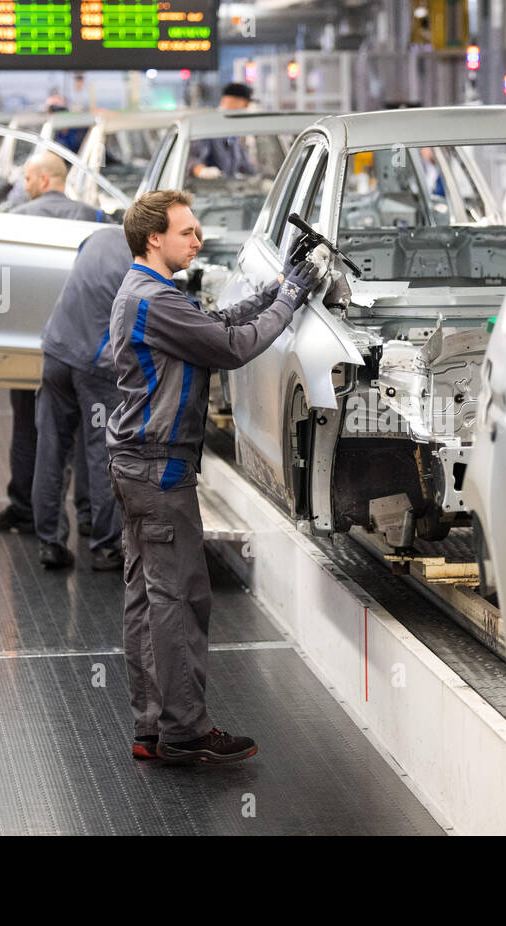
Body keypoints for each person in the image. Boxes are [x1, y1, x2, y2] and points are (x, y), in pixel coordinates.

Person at [107, 189, 321, 764]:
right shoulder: (153, 300)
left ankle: (153, 727)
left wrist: (276, 294)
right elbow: (232, 347)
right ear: (155, 238)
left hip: (137, 467)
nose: (198, 241)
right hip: (158, 469)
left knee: (149, 597)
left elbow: (218, 323)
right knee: (179, 597)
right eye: (188, 233)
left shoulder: (149, 295)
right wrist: (293, 298)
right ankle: (186, 732)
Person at [0, 151, 96, 538]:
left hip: (30, 346)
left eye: (27, 178)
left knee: (29, 431)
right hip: (83, 348)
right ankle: (91, 520)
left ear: (44, 179)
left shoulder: (15, 221)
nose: (24, 186)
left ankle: (27, 510)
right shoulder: (96, 219)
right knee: (86, 436)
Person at [31, 225, 130, 571]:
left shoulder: (100, 236)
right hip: (97, 366)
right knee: (104, 451)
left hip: (57, 351)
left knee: (52, 446)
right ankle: (105, 545)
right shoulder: (146, 264)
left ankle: (49, 541)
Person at [187, 82, 257, 180]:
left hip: (229, 190)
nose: (247, 108)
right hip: (205, 189)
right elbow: (193, 158)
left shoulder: (233, 132)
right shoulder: (207, 127)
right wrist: (202, 171)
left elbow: (244, 165)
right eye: (247, 105)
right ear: (243, 102)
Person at [8, 151, 100, 221]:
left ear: (44, 180)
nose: (26, 187)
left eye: (28, 179)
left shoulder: (18, 217)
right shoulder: (96, 216)